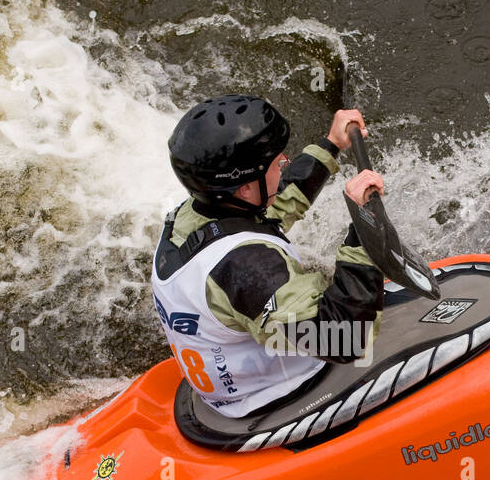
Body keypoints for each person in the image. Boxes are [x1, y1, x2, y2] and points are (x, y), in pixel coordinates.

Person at [152, 94, 386, 418]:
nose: (284, 162)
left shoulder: (193, 215)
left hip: (226, 385)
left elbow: (279, 200)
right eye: (278, 162)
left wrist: (331, 144)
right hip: (278, 396)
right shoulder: (247, 268)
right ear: (246, 187)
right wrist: (364, 227)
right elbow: (345, 338)